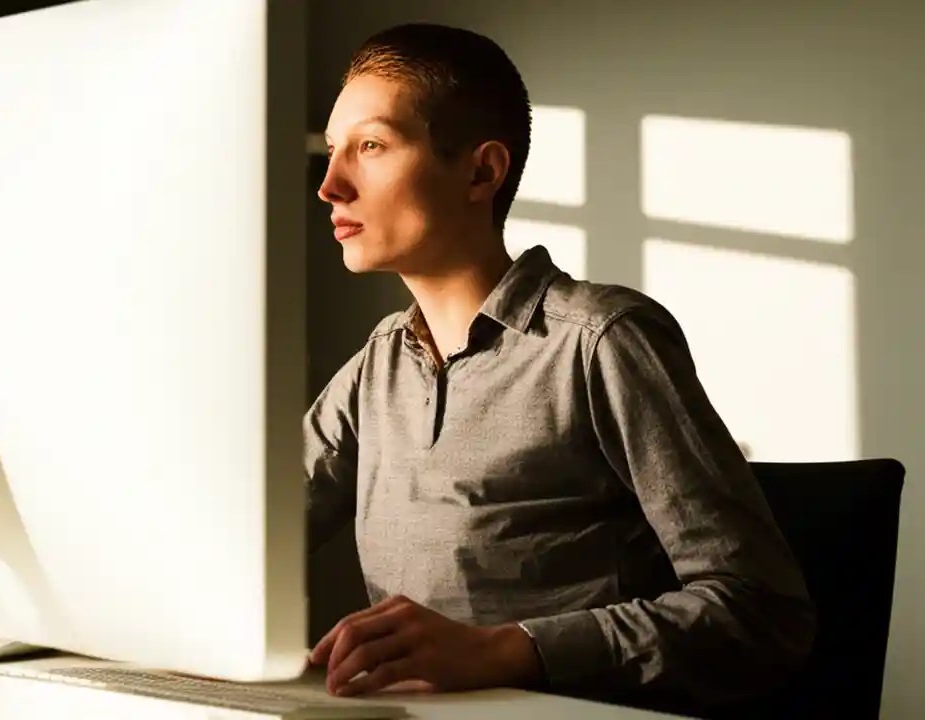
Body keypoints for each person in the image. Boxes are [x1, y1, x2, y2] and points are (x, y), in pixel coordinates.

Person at [302, 22, 815, 714]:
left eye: (370, 146)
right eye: (334, 151)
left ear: (482, 170)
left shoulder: (603, 341)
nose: (330, 185)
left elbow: (759, 613)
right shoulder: (376, 368)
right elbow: (238, 539)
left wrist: (503, 649)